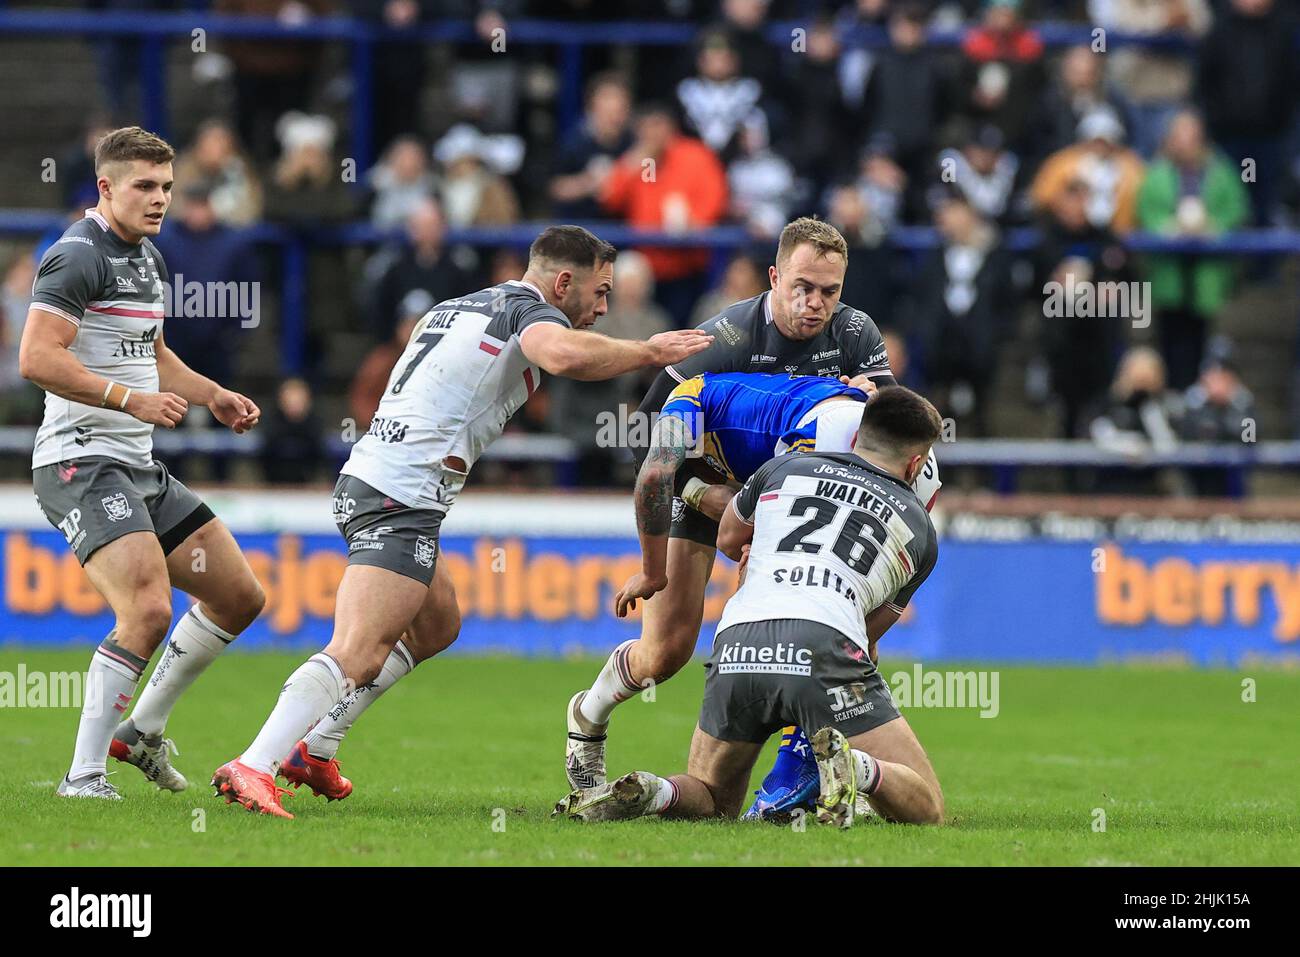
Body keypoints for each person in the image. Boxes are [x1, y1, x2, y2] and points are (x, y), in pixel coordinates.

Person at [211, 226, 713, 817]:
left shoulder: (463, 304)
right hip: (398, 495)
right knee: (359, 649)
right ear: (562, 283)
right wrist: (651, 349)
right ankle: (255, 762)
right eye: (599, 294)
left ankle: (315, 746)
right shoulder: (529, 314)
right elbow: (563, 355)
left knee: (438, 624)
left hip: (385, 482)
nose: (604, 309)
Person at [563, 217, 897, 795]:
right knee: (664, 653)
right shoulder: (725, 339)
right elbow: (645, 437)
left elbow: (890, 439)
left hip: (790, 501)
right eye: (802, 287)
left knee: (816, 634)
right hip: (705, 488)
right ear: (773, 276)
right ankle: (587, 717)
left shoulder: (857, 334)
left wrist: (882, 401)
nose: (815, 304)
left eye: (830, 291)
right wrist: (702, 493)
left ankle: (798, 774)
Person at [555, 386, 945, 827]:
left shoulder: (781, 468)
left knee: (714, 798)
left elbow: (727, 539)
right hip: (823, 642)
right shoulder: (919, 525)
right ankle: (858, 768)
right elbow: (867, 631)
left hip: (738, 638)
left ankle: (655, 791)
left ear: (856, 438)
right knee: (927, 804)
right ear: (915, 464)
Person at [18, 126, 266, 800]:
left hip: (135, 466)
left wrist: (210, 393)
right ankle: (84, 774)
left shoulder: (149, 258)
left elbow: (152, 353)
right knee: (149, 610)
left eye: (166, 186)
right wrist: (132, 400)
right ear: (106, 187)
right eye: (144, 187)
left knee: (240, 595)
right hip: (80, 462)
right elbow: (36, 358)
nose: (159, 199)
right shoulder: (75, 255)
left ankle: (142, 730)